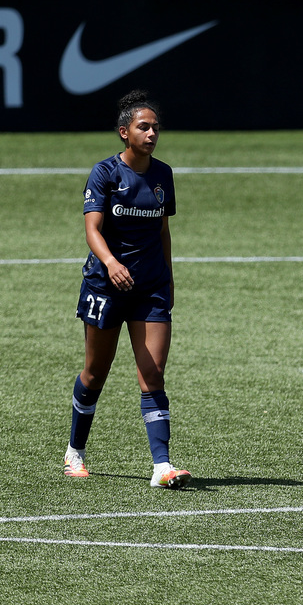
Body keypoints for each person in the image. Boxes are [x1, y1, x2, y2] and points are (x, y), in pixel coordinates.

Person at [63, 89, 192, 489]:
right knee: (95, 373)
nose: (152, 134)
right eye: (144, 127)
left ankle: (162, 467)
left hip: (151, 287)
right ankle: (75, 451)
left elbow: (163, 231)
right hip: (106, 285)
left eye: (156, 128)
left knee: (152, 373)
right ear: (125, 132)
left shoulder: (163, 175)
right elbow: (92, 230)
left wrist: (169, 279)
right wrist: (111, 263)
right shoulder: (105, 173)